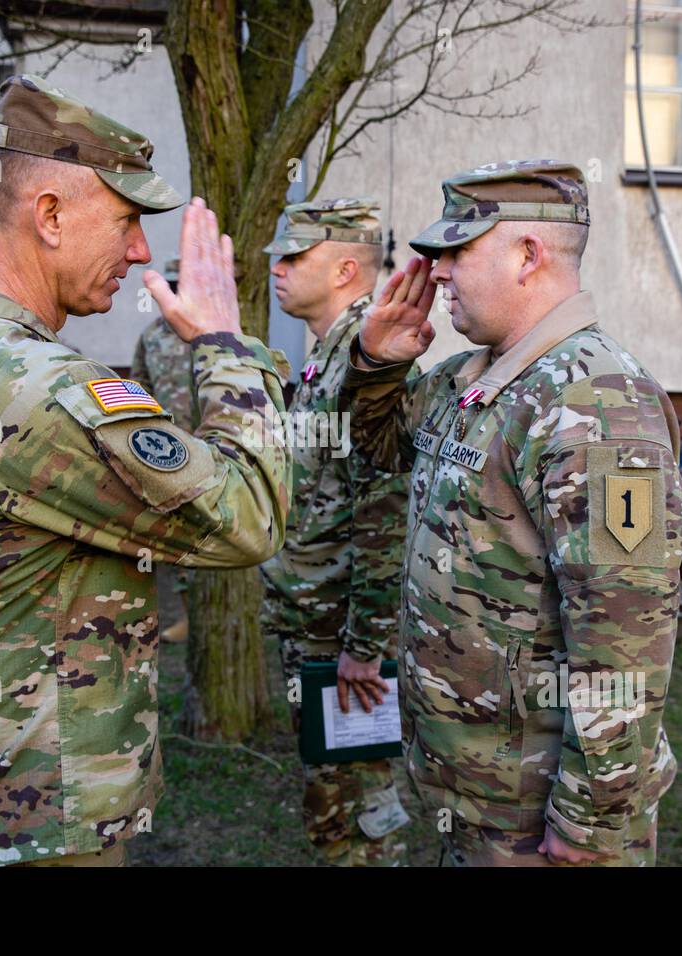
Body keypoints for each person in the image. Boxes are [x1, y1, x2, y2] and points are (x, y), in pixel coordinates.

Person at [0, 74, 292, 867]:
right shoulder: (35, 389)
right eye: (125, 221)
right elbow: (248, 514)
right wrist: (227, 349)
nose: (140, 251)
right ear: (48, 215)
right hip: (27, 824)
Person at [340, 160, 682, 866]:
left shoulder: (597, 402)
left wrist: (589, 824)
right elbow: (373, 448)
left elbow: (625, 637)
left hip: (533, 818)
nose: (436, 275)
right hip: (469, 792)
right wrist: (376, 360)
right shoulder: (471, 378)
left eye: (456, 253)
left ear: (528, 255)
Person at [260, 198, 412, 865]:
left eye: (296, 256)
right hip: (319, 629)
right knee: (333, 812)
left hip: (345, 646)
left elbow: (385, 515)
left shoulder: (365, 362)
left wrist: (365, 646)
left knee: (357, 821)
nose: (279, 268)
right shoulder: (329, 357)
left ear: (347, 267)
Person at [129, 258, 194, 643]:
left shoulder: (210, 335)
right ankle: (185, 614)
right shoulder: (151, 336)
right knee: (169, 538)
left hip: (208, 449)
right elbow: (137, 388)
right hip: (165, 453)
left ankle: (211, 617)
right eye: (170, 285)